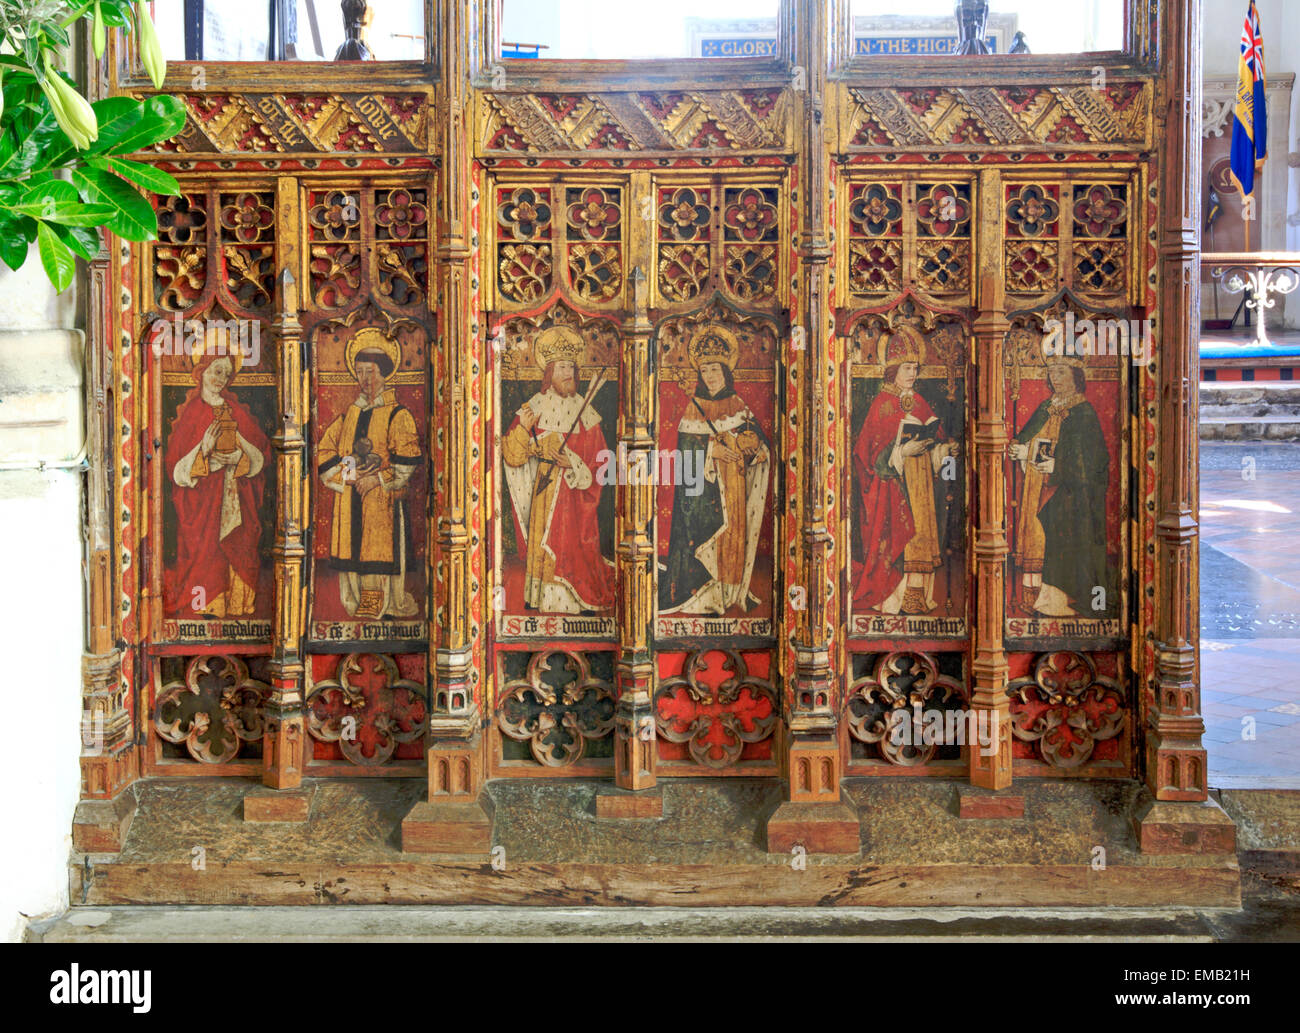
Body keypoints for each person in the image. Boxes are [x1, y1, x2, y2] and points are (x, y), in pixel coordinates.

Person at [501, 325, 615, 613]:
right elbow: (512, 455)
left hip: (576, 497)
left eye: (571, 367)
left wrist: (573, 463)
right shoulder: (535, 406)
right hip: (545, 489)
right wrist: (526, 432)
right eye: (561, 367)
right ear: (549, 371)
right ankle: (543, 598)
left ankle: (576, 598)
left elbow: (601, 460)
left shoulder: (585, 411)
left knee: (576, 544)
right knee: (544, 542)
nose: (568, 373)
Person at [659, 324, 771, 616]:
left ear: (726, 373)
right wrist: (712, 451)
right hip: (703, 496)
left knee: (733, 537)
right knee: (710, 539)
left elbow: (760, 448)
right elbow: (684, 456)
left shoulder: (739, 406)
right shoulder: (693, 409)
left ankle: (729, 592)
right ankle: (705, 596)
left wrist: (755, 449)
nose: (710, 376)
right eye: (705, 370)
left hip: (734, 487)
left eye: (715, 370)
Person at [852, 327, 960, 615]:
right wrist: (900, 452)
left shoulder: (920, 401)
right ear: (893, 370)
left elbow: (935, 438)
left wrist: (943, 450)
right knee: (902, 537)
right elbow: (868, 457)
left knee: (923, 534)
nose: (912, 373)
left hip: (923, 484)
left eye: (915, 368)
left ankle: (918, 595)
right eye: (907, 367)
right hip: (893, 488)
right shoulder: (882, 404)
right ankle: (894, 598)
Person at [317, 328, 421, 620]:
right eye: (360, 372)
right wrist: (351, 474)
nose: (364, 379)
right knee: (352, 550)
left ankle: (386, 603)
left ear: (384, 374)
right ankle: (356, 603)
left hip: (381, 500)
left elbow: (406, 464)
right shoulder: (350, 413)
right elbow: (329, 450)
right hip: (352, 495)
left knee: (379, 549)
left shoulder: (398, 414)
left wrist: (375, 479)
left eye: (370, 372)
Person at [166, 326, 268, 617]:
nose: (219, 378)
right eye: (215, 370)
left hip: (236, 497)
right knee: (205, 550)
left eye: (225, 373)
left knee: (241, 544)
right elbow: (177, 470)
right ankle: (210, 603)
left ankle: (237, 602)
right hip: (203, 503)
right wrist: (205, 453)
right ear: (202, 371)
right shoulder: (193, 413)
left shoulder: (236, 411)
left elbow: (259, 455)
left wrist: (238, 456)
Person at [1009, 355, 1109, 616]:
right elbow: (1026, 437)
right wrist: (1019, 448)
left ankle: (1062, 600)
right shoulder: (1046, 407)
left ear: (1076, 376)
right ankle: (1033, 596)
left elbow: (1093, 461)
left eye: (1062, 371)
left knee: (1057, 536)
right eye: (1052, 371)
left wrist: (1058, 468)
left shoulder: (1083, 413)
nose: (1056, 377)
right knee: (1035, 535)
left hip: (1067, 494)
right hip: (1036, 486)